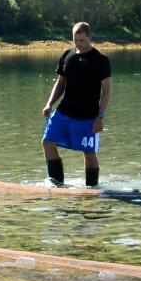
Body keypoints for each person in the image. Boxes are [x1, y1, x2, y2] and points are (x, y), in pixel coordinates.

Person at [41, 21, 111, 187]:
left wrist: (100, 117)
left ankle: (92, 188)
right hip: (63, 112)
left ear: (89, 38)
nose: (78, 44)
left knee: (88, 152)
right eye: (75, 40)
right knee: (47, 142)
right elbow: (60, 84)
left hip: (88, 117)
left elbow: (106, 92)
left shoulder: (101, 60)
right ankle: (56, 184)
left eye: (82, 40)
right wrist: (49, 103)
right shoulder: (67, 55)